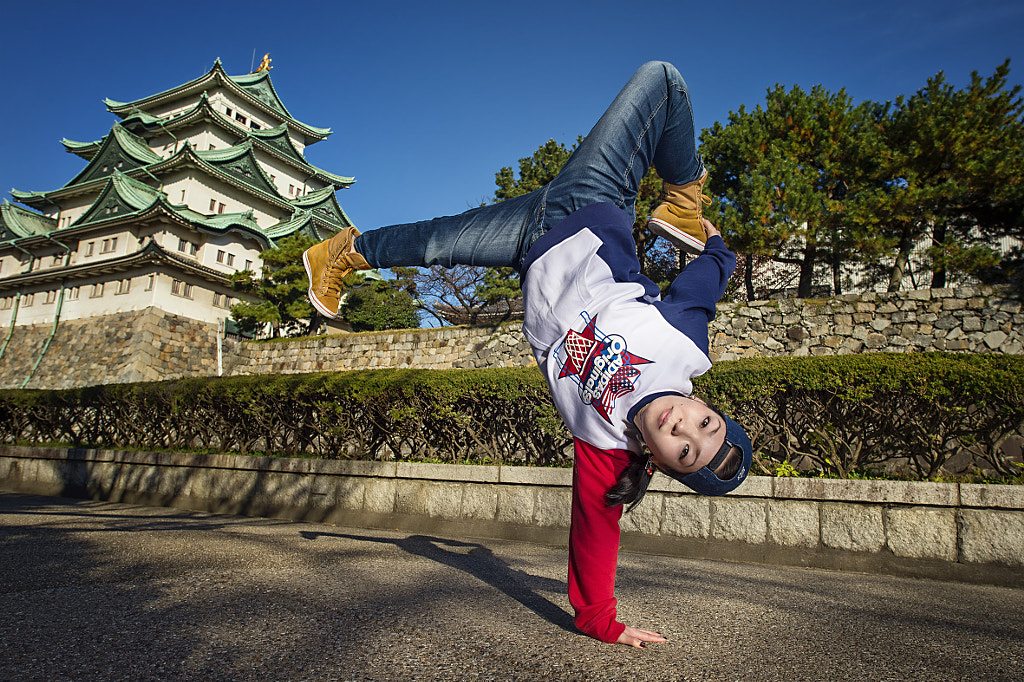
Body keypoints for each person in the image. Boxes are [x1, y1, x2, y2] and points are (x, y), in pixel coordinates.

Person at [302, 61, 752, 648]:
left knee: (434, 241)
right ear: (704, 403)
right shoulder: (680, 348)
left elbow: (594, 535)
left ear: (663, 465)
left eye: (686, 450)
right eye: (705, 422)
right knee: (663, 80)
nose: (683, 426)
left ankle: (342, 252)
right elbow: (704, 287)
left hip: (529, 244)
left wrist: (601, 621)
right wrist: (716, 246)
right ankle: (685, 197)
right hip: (592, 205)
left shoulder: (607, 450)